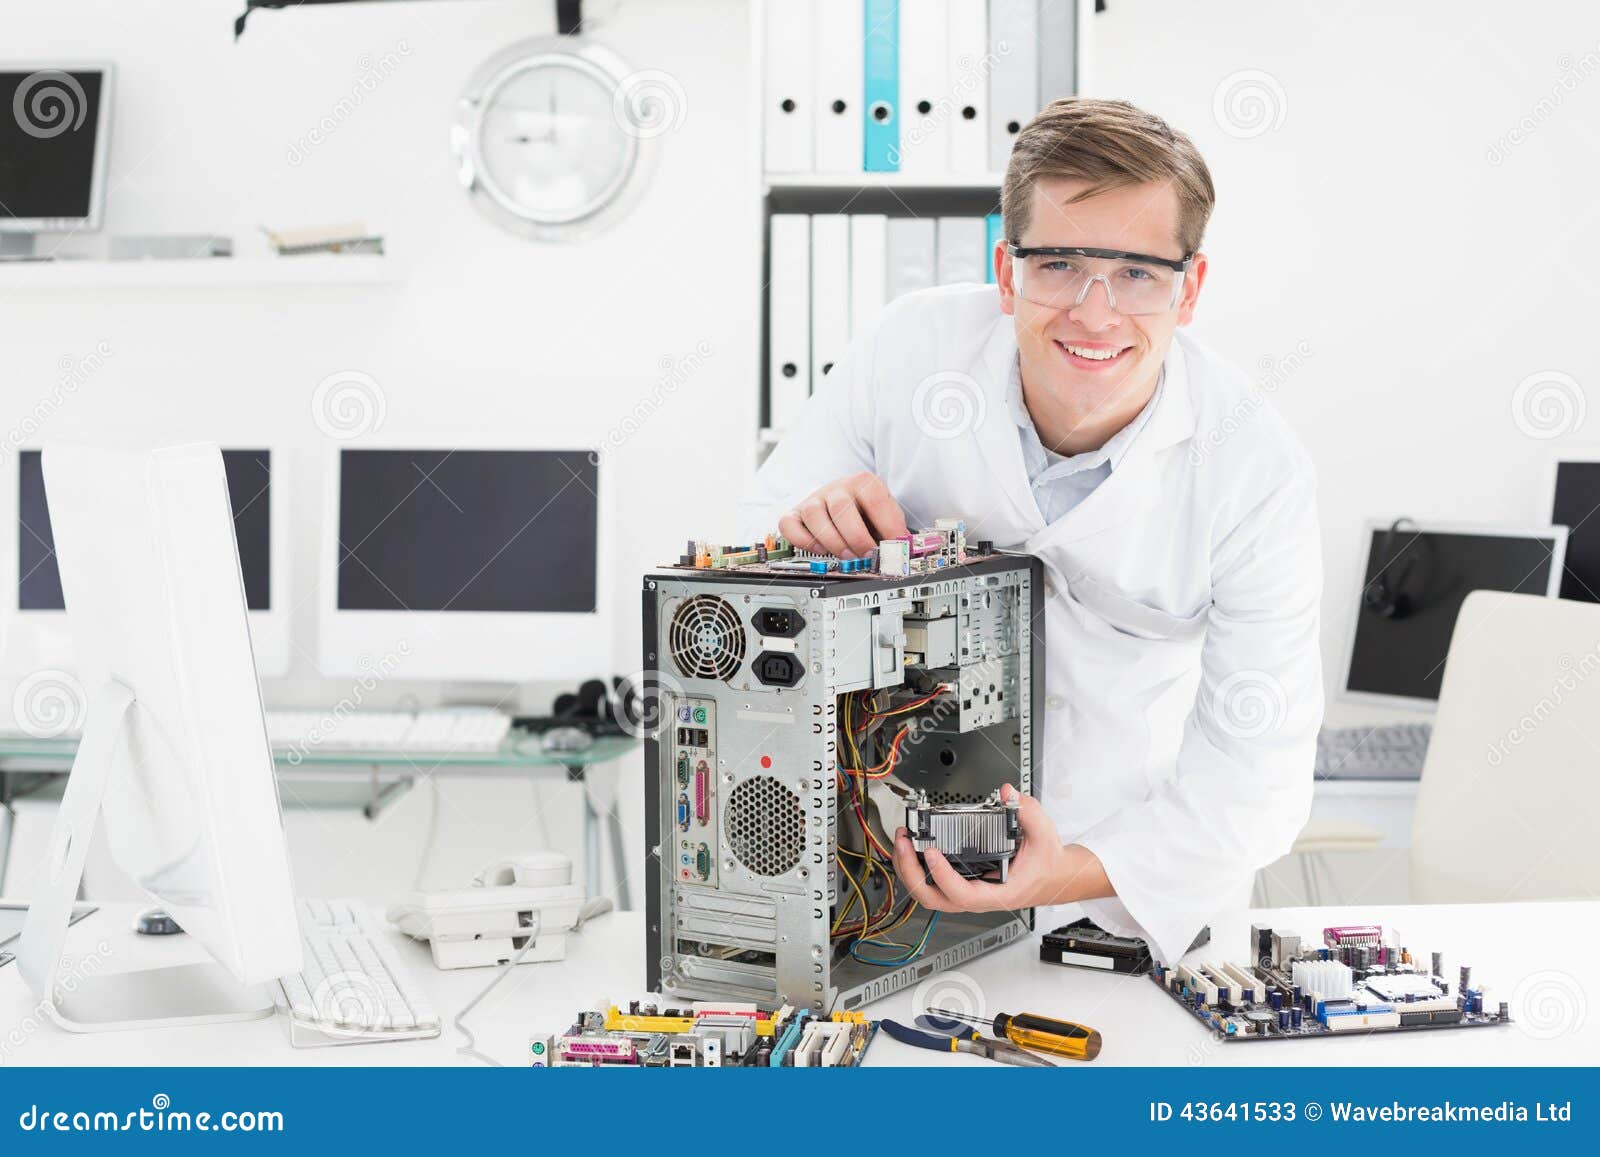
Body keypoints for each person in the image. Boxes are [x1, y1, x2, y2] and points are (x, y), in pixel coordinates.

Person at [739, 98, 1323, 965]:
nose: (1094, 314)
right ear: (1007, 270)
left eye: (1136, 273)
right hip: (880, 876)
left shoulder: (1252, 466)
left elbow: (1259, 778)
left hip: (1124, 894)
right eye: (1060, 264)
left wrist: (1068, 873)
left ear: (1188, 290)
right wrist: (801, 537)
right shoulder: (909, 355)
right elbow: (753, 547)